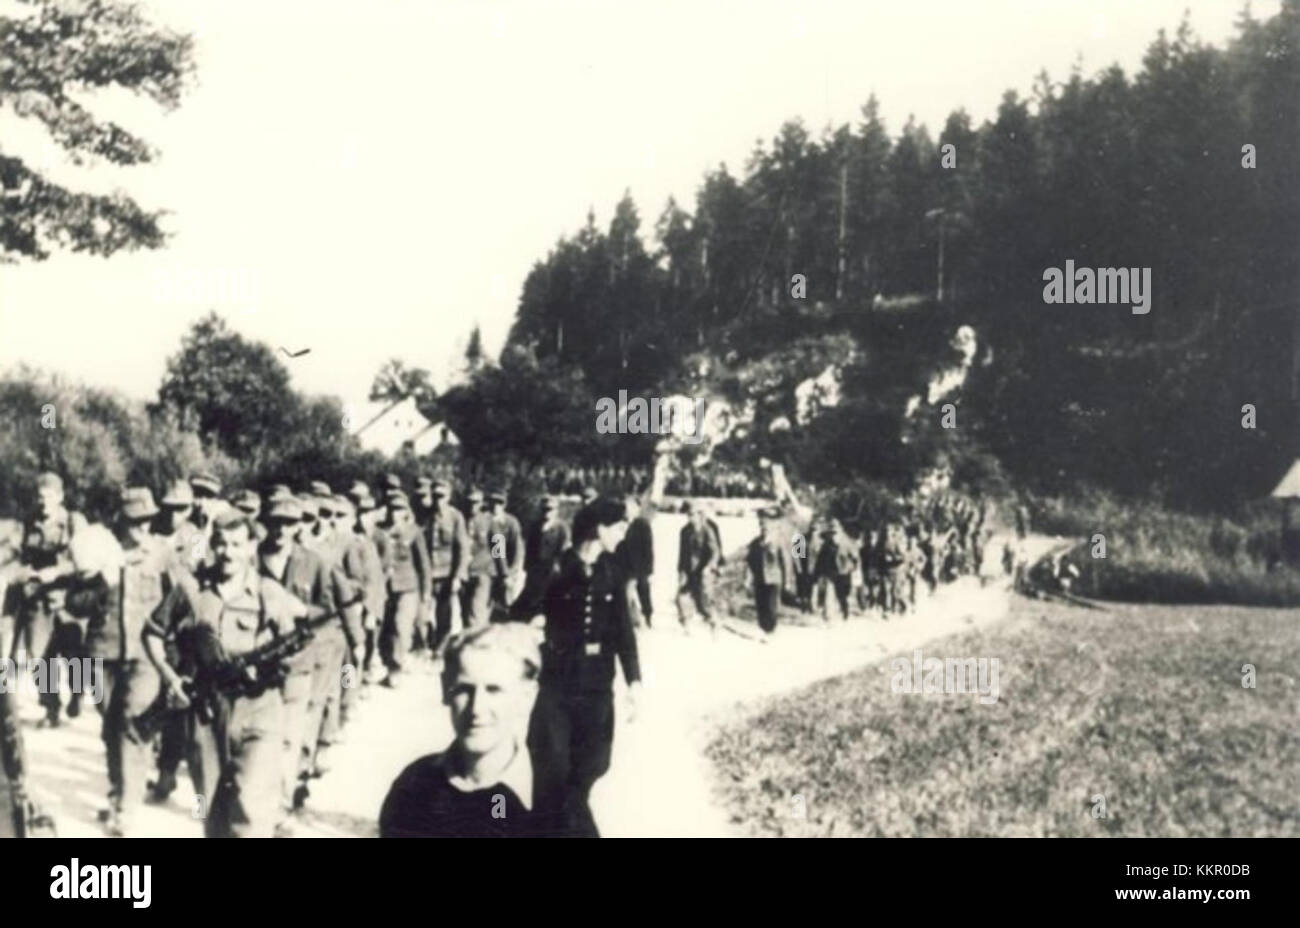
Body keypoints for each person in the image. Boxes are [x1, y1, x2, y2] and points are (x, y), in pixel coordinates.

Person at [146, 511, 310, 838]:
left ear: (251, 547)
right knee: (213, 814)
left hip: (259, 710)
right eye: (221, 544)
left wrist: (268, 668)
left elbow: (298, 646)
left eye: (236, 544)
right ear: (211, 546)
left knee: (250, 811)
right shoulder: (191, 589)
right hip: (207, 713)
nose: (228, 552)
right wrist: (171, 678)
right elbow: (151, 632)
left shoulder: (269, 593)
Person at [379, 624, 562, 837]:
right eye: (464, 689)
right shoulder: (414, 788)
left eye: (494, 690)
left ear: (527, 697)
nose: (477, 708)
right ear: (446, 690)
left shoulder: (558, 807)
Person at [531, 498, 641, 837]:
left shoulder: (613, 570)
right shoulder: (557, 568)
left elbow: (623, 629)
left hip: (597, 687)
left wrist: (634, 681)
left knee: (591, 766)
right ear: (600, 529)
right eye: (619, 527)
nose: (623, 535)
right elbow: (521, 612)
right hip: (559, 685)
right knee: (553, 769)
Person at [66, 492, 173, 836]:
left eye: (146, 520)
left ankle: (127, 808)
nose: (141, 528)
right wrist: (101, 582)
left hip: (145, 656)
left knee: (132, 723)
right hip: (101, 653)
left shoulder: (162, 553)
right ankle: (118, 791)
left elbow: (181, 598)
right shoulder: (98, 549)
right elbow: (74, 604)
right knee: (110, 726)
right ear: (121, 520)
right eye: (133, 520)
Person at [375, 492, 431, 687]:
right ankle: (390, 663)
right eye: (391, 509)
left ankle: (402, 663)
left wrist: (426, 592)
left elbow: (424, 564)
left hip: (410, 586)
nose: (394, 513)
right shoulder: (379, 532)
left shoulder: (414, 531)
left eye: (399, 509)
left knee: (402, 625)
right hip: (386, 587)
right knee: (385, 628)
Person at [423, 480, 468, 655]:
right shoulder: (427, 516)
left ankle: (449, 647)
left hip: (472, 572)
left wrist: (503, 572)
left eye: (500, 503)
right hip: (431, 572)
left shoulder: (503, 523)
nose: (496, 507)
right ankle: (429, 643)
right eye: (434, 496)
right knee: (425, 612)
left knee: (470, 615)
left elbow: (464, 548)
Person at [517, 496, 569, 622]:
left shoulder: (561, 528)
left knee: (549, 597)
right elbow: (529, 547)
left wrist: (558, 566)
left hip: (551, 569)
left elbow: (564, 549)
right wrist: (526, 566)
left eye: (550, 509)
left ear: (556, 510)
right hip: (535, 568)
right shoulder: (535, 526)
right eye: (544, 509)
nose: (547, 512)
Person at [745, 509, 793, 639]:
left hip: (774, 579)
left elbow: (786, 561)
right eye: (761, 525)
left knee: (772, 606)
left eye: (766, 525)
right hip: (759, 579)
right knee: (761, 605)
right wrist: (748, 579)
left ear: (772, 525)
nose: (764, 527)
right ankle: (764, 629)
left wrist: (787, 581)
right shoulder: (756, 543)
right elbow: (749, 561)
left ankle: (771, 630)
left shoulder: (778, 541)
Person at [676, 501, 719, 633]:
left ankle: (713, 621)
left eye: (693, 515)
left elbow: (715, 552)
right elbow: (682, 553)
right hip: (688, 570)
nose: (690, 518)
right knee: (681, 596)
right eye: (688, 515)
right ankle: (686, 624)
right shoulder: (684, 531)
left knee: (703, 601)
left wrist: (709, 567)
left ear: (700, 515)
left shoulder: (707, 530)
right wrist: (680, 571)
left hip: (703, 571)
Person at [617, 494, 654, 628]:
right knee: (627, 593)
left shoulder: (642, 525)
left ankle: (647, 615)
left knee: (643, 591)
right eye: (626, 507)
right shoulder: (620, 523)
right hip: (625, 566)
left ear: (637, 508)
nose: (628, 509)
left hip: (640, 566)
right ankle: (632, 619)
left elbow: (648, 548)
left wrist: (649, 569)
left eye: (631, 506)